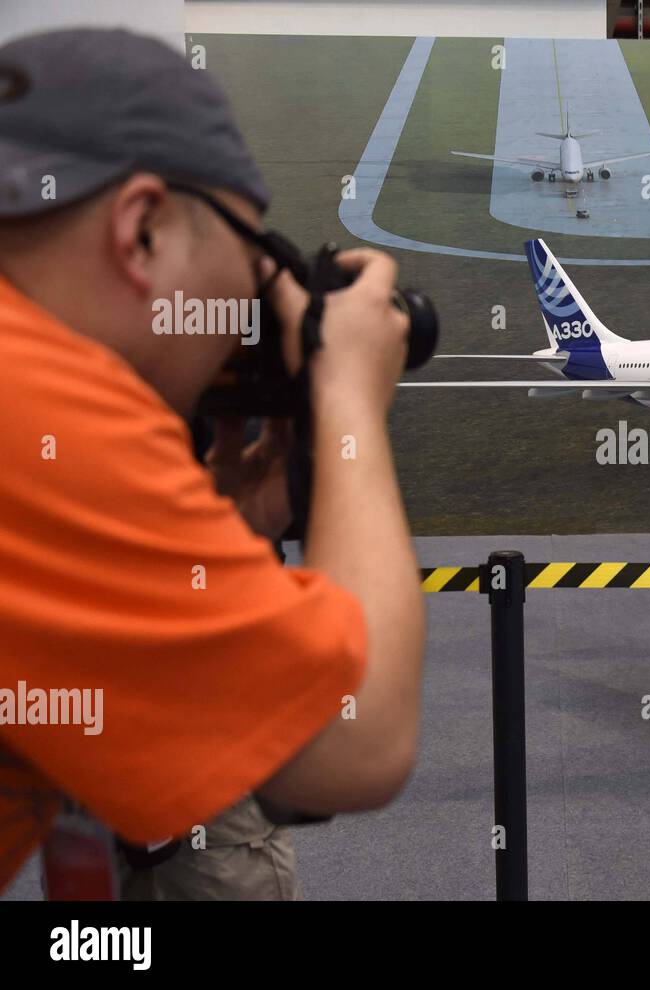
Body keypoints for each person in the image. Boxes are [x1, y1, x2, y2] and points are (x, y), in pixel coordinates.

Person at [0, 28, 426, 895]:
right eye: (258, 262)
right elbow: (354, 742)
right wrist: (346, 395)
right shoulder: (39, 397)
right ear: (144, 230)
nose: (251, 310)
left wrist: (198, 545)